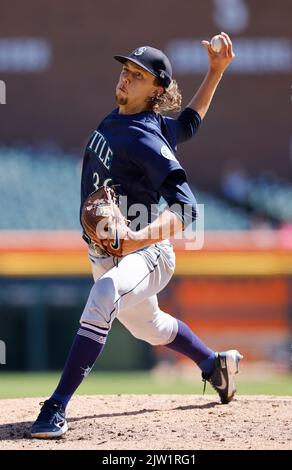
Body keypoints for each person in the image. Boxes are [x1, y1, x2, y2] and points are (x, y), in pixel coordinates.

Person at [31, 32, 242, 439]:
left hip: (147, 253)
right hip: (108, 253)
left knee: (104, 296)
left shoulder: (144, 137)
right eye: (126, 70)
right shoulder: (128, 120)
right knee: (152, 328)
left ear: (156, 89)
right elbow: (187, 125)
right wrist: (215, 72)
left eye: (137, 75)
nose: (125, 78)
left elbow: (186, 209)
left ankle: (55, 407)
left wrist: (134, 240)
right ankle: (215, 364)